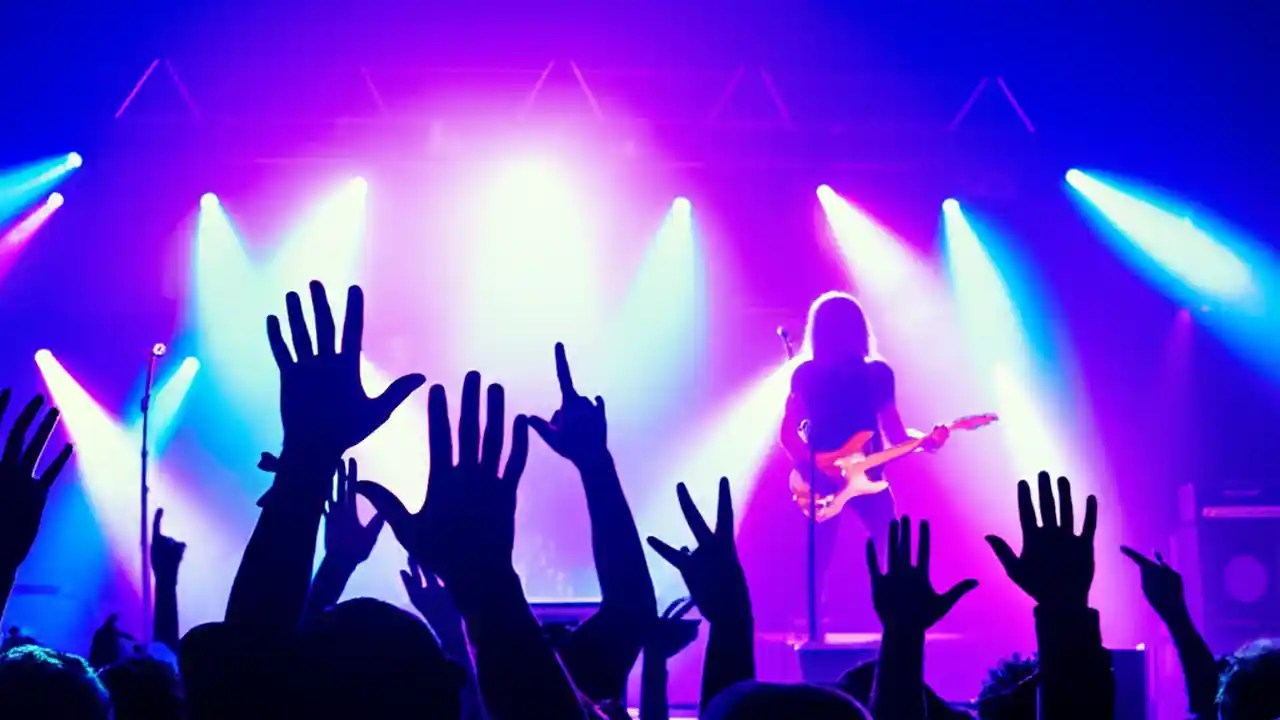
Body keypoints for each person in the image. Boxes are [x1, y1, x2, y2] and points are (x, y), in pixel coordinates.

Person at [779, 292, 949, 618]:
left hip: (851, 478)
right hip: (848, 478)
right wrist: (924, 442)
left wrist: (927, 441)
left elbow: (789, 435)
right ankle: (893, 618)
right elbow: (897, 436)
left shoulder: (819, 374)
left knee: (831, 555)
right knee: (885, 548)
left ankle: (824, 622)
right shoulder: (841, 374)